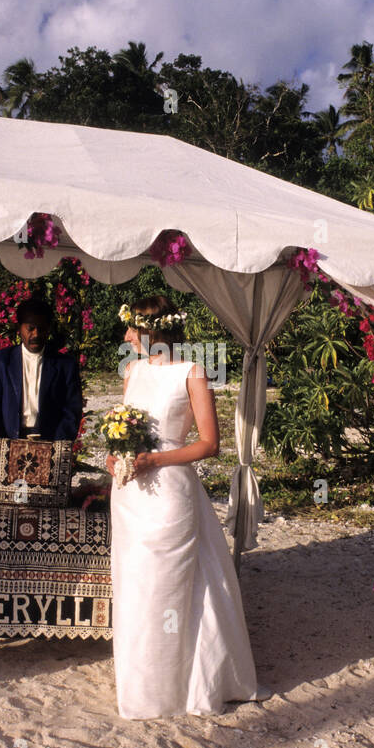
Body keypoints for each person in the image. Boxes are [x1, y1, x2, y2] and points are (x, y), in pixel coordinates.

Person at [105, 295, 264, 718]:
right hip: (129, 493)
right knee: (135, 584)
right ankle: (142, 684)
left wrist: (155, 459)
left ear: (151, 331)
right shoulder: (133, 370)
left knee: (169, 584)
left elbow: (209, 444)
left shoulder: (192, 373)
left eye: (131, 329)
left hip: (169, 492)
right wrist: (114, 454)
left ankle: (179, 683)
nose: (125, 337)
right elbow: (124, 426)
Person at [0, 298, 83, 442]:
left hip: (51, 443)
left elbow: (72, 410)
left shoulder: (65, 365)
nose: (36, 334)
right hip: (8, 441)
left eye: (42, 329)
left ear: (49, 329)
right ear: (19, 328)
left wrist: (58, 446)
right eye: (30, 328)